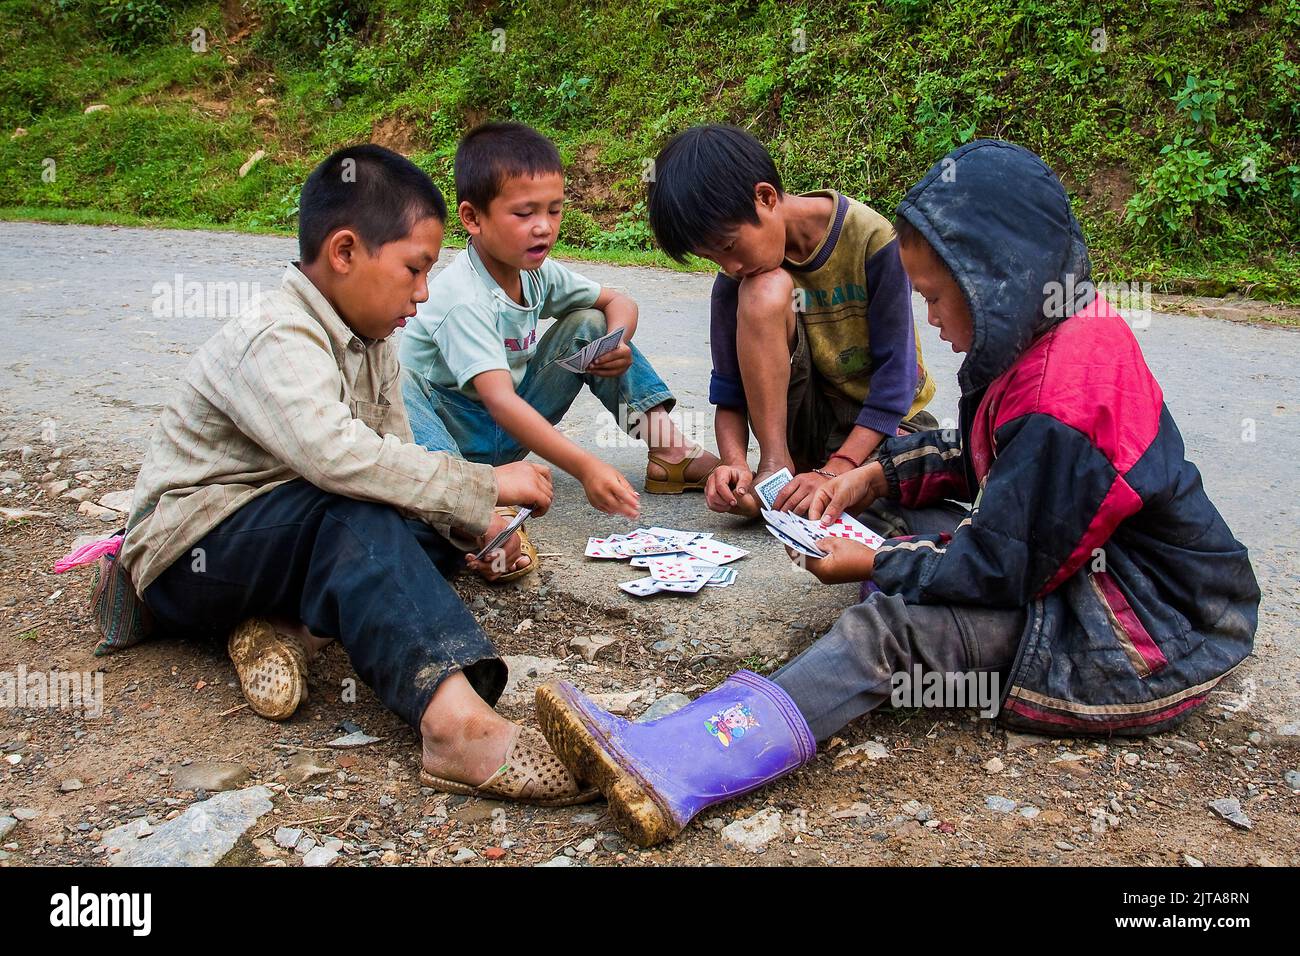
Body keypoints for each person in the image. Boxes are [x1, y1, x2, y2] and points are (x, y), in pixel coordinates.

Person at [535, 140, 1260, 844]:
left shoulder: (1060, 406)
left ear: (993, 283)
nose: (934, 323)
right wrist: (868, 476)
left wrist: (877, 566)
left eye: (938, 299)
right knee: (884, 520)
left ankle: (678, 765)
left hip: (1144, 629)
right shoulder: (1050, 336)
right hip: (1098, 577)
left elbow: (999, 571)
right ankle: (872, 568)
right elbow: (978, 460)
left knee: (886, 633)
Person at [120, 144, 594, 806]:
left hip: (284, 536)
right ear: (344, 253)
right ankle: (456, 727)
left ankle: (284, 631)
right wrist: (484, 484)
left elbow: (396, 456)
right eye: (414, 270)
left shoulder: (372, 342)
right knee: (360, 516)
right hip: (190, 552)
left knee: (423, 527)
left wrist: (474, 523)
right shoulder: (278, 335)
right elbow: (339, 459)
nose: (423, 293)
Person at [400, 122, 718, 547]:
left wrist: (617, 343)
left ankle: (669, 452)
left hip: (507, 431)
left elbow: (618, 302)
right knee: (399, 380)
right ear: (473, 218)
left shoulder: (535, 272)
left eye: (554, 210)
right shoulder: (463, 298)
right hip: (448, 438)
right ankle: (476, 510)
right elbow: (499, 401)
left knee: (589, 324)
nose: (544, 227)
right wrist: (586, 467)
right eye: (524, 213)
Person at [646, 124, 936, 518]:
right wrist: (734, 463)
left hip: (879, 429)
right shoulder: (737, 277)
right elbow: (730, 391)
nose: (729, 266)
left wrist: (838, 469)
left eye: (730, 246)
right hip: (806, 433)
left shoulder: (871, 238)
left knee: (899, 481)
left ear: (765, 197)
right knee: (763, 290)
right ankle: (776, 469)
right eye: (712, 258)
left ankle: (814, 485)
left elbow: (894, 384)